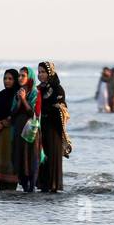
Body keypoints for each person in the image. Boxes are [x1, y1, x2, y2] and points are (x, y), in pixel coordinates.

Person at [37, 61, 70, 192]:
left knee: (52, 156)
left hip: (53, 129)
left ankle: (54, 186)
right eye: (39, 72)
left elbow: (61, 108)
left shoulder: (57, 88)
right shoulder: (39, 89)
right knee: (42, 157)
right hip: (41, 127)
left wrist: (48, 108)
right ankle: (43, 185)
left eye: (43, 72)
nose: (40, 75)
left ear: (50, 73)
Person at [0, 69, 21, 190]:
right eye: (5, 78)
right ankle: (1, 186)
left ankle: (11, 187)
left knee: (10, 159)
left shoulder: (18, 95)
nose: (7, 81)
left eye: (10, 79)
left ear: (15, 80)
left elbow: (18, 113)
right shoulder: (0, 95)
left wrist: (4, 123)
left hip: (10, 133)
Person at [12, 66, 41, 192]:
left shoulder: (35, 93)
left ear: (29, 77)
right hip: (19, 128)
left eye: (23, 75)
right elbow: (13, 113)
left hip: (31, 129)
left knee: (32, 157)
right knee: (19, 156)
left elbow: (33, 113)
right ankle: (24, 186)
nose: (20, 78)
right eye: (19, 75)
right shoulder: (18, 92)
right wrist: (19, 101)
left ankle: (32, 186)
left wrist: (24, 99)